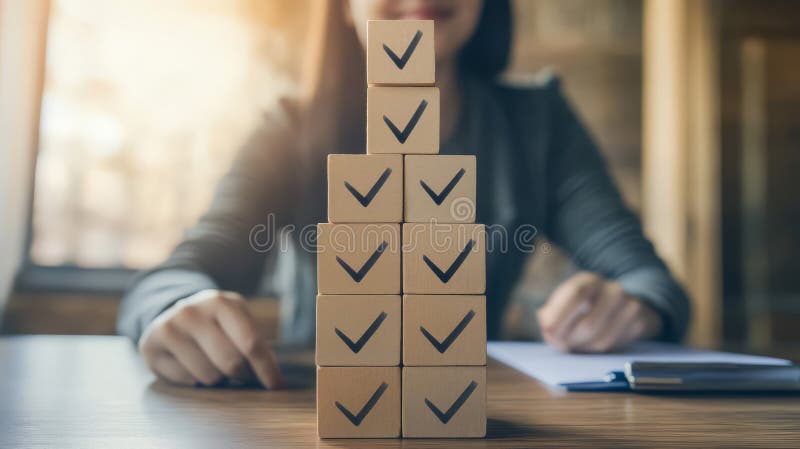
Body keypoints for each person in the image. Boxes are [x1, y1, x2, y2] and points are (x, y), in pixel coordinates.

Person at [117, 0, 690, 389]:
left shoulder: (539, 123)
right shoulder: (291, 126)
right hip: (316, 410)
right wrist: (173, 307)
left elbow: (651, 282)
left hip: (469, 407)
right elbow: (176, 275)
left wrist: (631, 308)